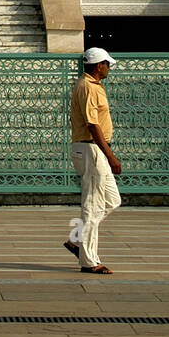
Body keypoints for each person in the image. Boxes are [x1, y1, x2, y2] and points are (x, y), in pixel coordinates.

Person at [64, 47, 121, 275]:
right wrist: (110, 155)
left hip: (93, 149)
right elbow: (92, 124)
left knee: (111, 200)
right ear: (99, 66)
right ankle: (89, 261)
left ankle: (76, 241)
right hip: (91, 149)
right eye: (107, 64)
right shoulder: (88, 87)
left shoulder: (92, 86)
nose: (108, 68)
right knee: (93, 204)